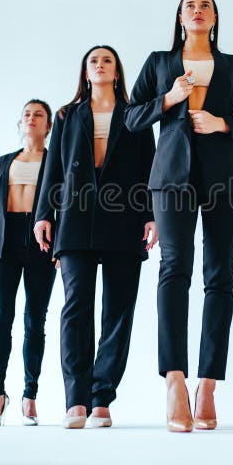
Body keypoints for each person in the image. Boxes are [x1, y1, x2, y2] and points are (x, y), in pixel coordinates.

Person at [124, 0, 233, 431]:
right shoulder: (158, 62)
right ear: (180, 18)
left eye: (205, 5)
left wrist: (223, 123)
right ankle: (174, 382)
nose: (198, 10)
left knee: (220, 277)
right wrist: (168, 99)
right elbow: (131, 118)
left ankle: (207, 386)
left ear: (214, 18)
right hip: (170, 176)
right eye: (190, 5)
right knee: (174, 270)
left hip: (226, 176)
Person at [34, 45, 157, 429]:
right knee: (76, 308)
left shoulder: (135, 115)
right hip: (75, 218)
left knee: (118, 311)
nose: (100, 65)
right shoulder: (67, 115)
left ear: (117, 72)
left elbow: (149, 168)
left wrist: (151, 216)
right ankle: (76, 399)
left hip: (124, 216)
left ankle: (102, 396)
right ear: (85, 72)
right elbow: (53, 170)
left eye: (107, 61)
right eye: (94, 61)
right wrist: (43, 214)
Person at [0, 99, 57, 426]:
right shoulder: (3, 162)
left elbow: (65, 206)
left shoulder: (56, 161)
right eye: (27, 114)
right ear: (20, 122)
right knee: (1, 317)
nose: (32, 118)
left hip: (42, 243)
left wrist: (61, 247)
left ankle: (29, 395)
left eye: (39, 115)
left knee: (35, 320)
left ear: (48, 125)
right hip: (4, 243)